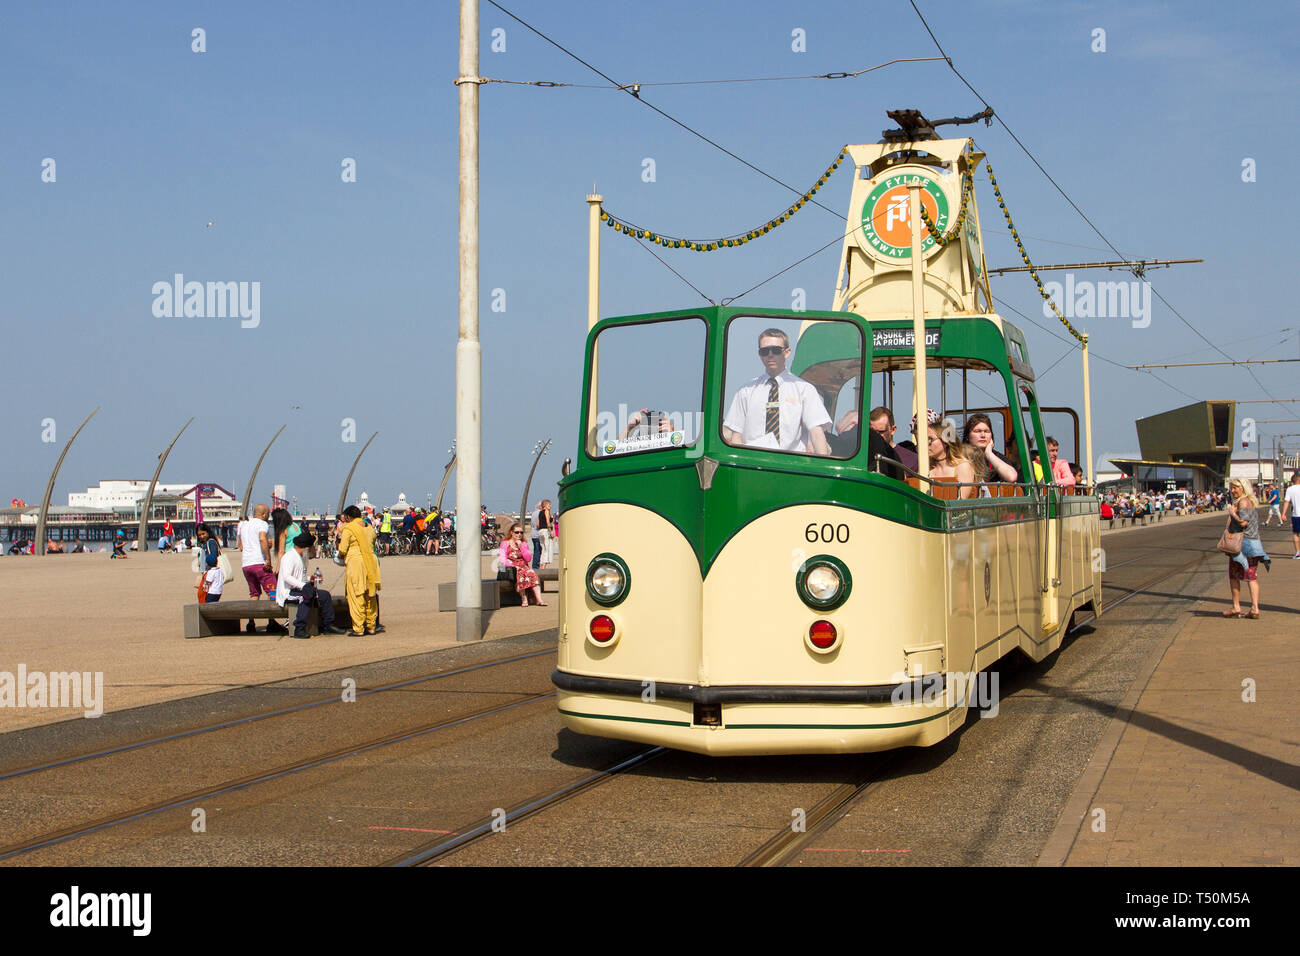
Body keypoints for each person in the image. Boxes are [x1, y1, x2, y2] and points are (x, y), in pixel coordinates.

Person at [723, 328, 832, 455]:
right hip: (753, 463)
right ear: (759, 354)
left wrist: (823, 468)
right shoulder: (746, 391)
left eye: (775, 350)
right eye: (764, 351)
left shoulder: (804, 389)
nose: (770, 354)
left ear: (787, 352)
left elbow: (816, 431)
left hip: (791, 465)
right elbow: (736, 434)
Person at [276, 531, 349, 638]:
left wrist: (310, 579)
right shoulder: (289, 557)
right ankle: (299, 628)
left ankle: (329, 625)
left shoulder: (299, 556)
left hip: (297, 588)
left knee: (324, 595)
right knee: (306, 596)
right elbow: (287, 577)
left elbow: (299, 577)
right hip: (288, 592)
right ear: (306, 547)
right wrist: (303, 586)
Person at [238, 504, 286, 634]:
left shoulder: (243, 525)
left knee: (254, 593)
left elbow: (242, 546)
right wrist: (268, 559)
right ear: (264, 514)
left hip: (246, 564)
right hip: (259, 563)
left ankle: (251, 622)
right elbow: (262, 539)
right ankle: (271, 621)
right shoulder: (262, 524)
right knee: (272, 591)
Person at [1224, 480, 1269, 618]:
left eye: (1236, 488)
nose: (1233, 490)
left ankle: (1236, 607)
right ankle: (1254, 608)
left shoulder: (1243, 502)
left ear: (1243, 488)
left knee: (1234, 576)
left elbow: (1243, 522)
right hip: (1253, 543)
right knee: (1251, 577)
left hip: (1244, 544)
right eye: (1231, 488)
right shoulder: (1249, 502)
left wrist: (1232, 513)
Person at [337, 505, 382, 635]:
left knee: (356, 593)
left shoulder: (349, 529)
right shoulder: (369, 528)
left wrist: (340, 556)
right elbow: (372, 543)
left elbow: (342, 549)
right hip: (371, 562)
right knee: (370, 594)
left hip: (356, 562)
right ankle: (371, 626)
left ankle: (358, 628)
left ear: (349, 517)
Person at [962, 414, 1018, 484]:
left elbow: (1011, 477)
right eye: (977, 431)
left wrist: (989, 454)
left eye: (986, 431)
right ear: (967, 436)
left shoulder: (996, 457)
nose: (983, 435)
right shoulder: (959, 456)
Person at [925, 422, 976, 499]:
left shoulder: (962, 467)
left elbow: (961, 501)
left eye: (930, 439)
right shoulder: (926, 469)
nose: (926, 443)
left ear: (945, 442)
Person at [499, 523, 545, 606]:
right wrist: (513, 566)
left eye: (521, 532)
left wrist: (521, 547)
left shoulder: (524, 543)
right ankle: (524, 598)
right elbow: (502, 559)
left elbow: (528, 559)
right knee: (520, 573)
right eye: (517, 532)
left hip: (524, 566)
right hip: (511, 567)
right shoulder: (505, 543)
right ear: (512, 533)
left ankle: (539, 599)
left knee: (532, 574)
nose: (519, 534)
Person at [867, 407, 918, 471]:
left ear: (893, 430)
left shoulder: (912, 460)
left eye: (881, 432)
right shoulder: (862, 455)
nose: (876, 436)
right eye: (873, 432)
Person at [1282, 472, 1300, 559]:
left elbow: (1287, 502)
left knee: (1296, 534)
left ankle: (1298, 552)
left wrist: (1283, 513)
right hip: (1296, 514)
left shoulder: (1290, 489)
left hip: (1296, 515)